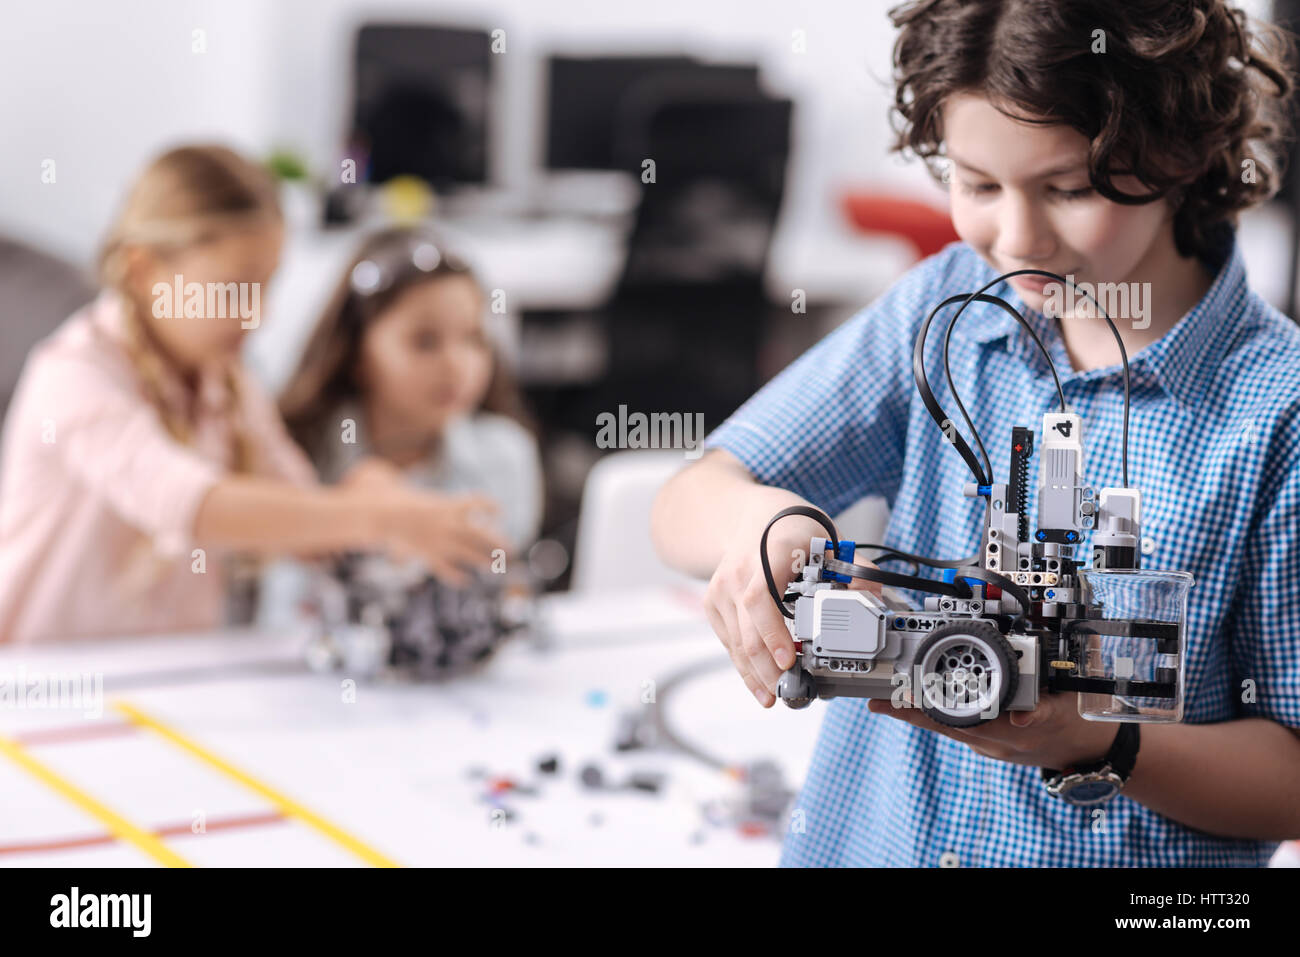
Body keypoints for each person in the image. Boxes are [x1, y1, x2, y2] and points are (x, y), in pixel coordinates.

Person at [652, 0, 1300, 866]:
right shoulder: (947, 310)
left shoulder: (1277, 413)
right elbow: (690, 495)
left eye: (1068, 188)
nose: (1016, 237)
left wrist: (1101, 741)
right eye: (977, 184)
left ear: (1180, 151)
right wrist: (761, 526)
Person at [0, 146, 505, 643]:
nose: (256, 315)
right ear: (143, 271)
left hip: (165, 682)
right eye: (233, 289)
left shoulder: (228, 379)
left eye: (266, 287)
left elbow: (297, 507)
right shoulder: (73, 376)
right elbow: (192, 506)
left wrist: (367, 494)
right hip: (46, 686)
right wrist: (378, 518)